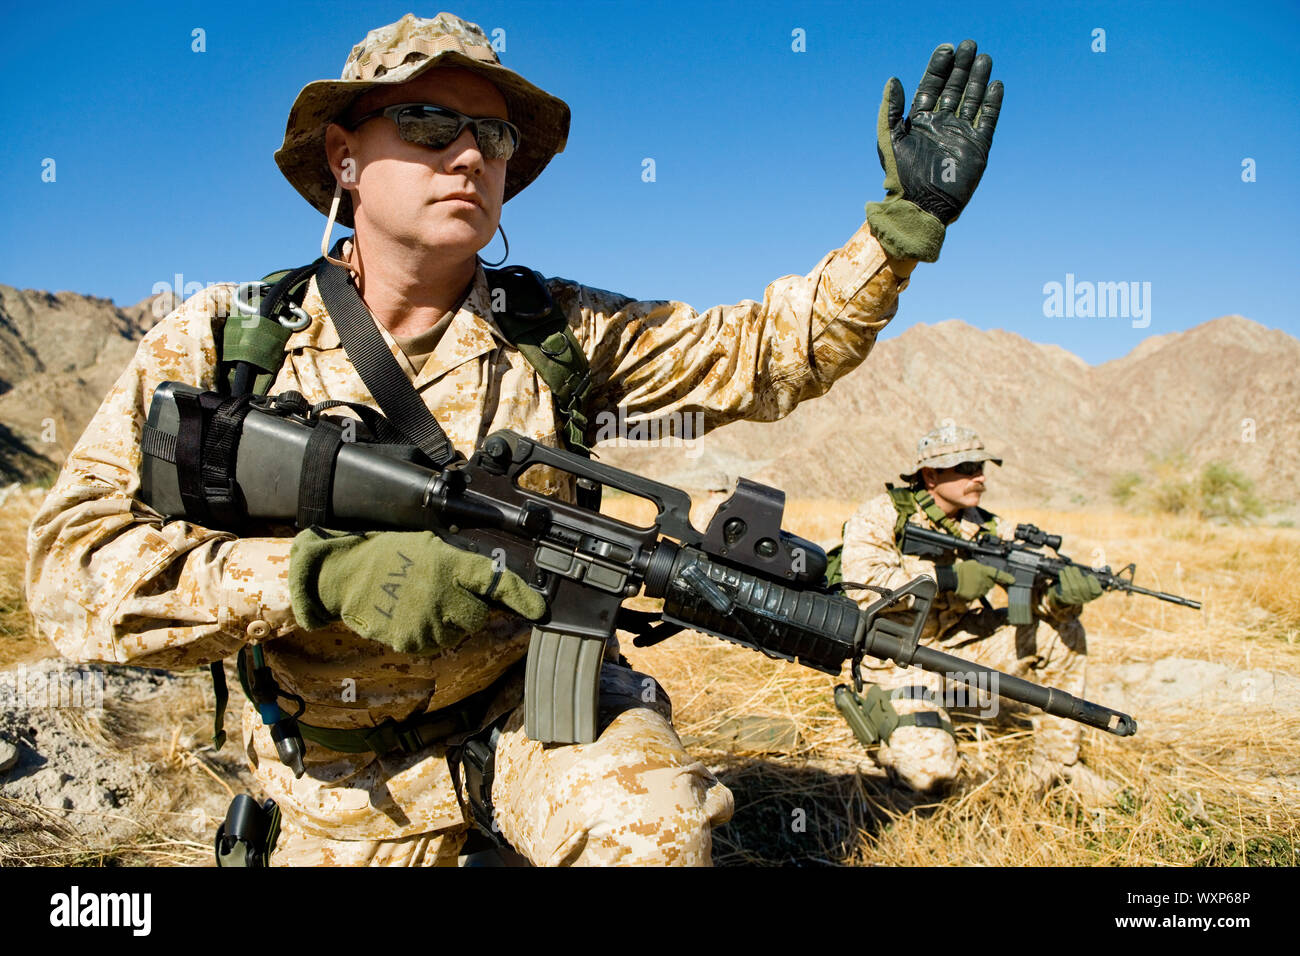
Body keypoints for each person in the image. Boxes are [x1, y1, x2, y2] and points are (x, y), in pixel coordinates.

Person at [26, 12, 1003, 865]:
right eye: (425, 120)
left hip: (529, 706)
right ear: (343, 157)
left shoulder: (560, 332)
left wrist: (902, 227)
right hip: (332, 763)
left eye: (490, 133)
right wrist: (310, 577)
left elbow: (767, 352)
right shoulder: (227, 338)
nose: (469, 154)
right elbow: (71, 567)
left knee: (652, 831)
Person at [836, 424, 1117, 804]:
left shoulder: (989, 527)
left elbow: (1040, 599)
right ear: (930, 475)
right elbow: (861, 588)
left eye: (980, 466)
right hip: (892, 660)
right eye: (965, 468)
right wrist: (948, 579)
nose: (979, 476)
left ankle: (1058, 764)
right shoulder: (882, 514)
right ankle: (887, 728)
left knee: (1062, 633)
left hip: (956, 651)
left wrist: (1064, 597)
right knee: (930, 780)